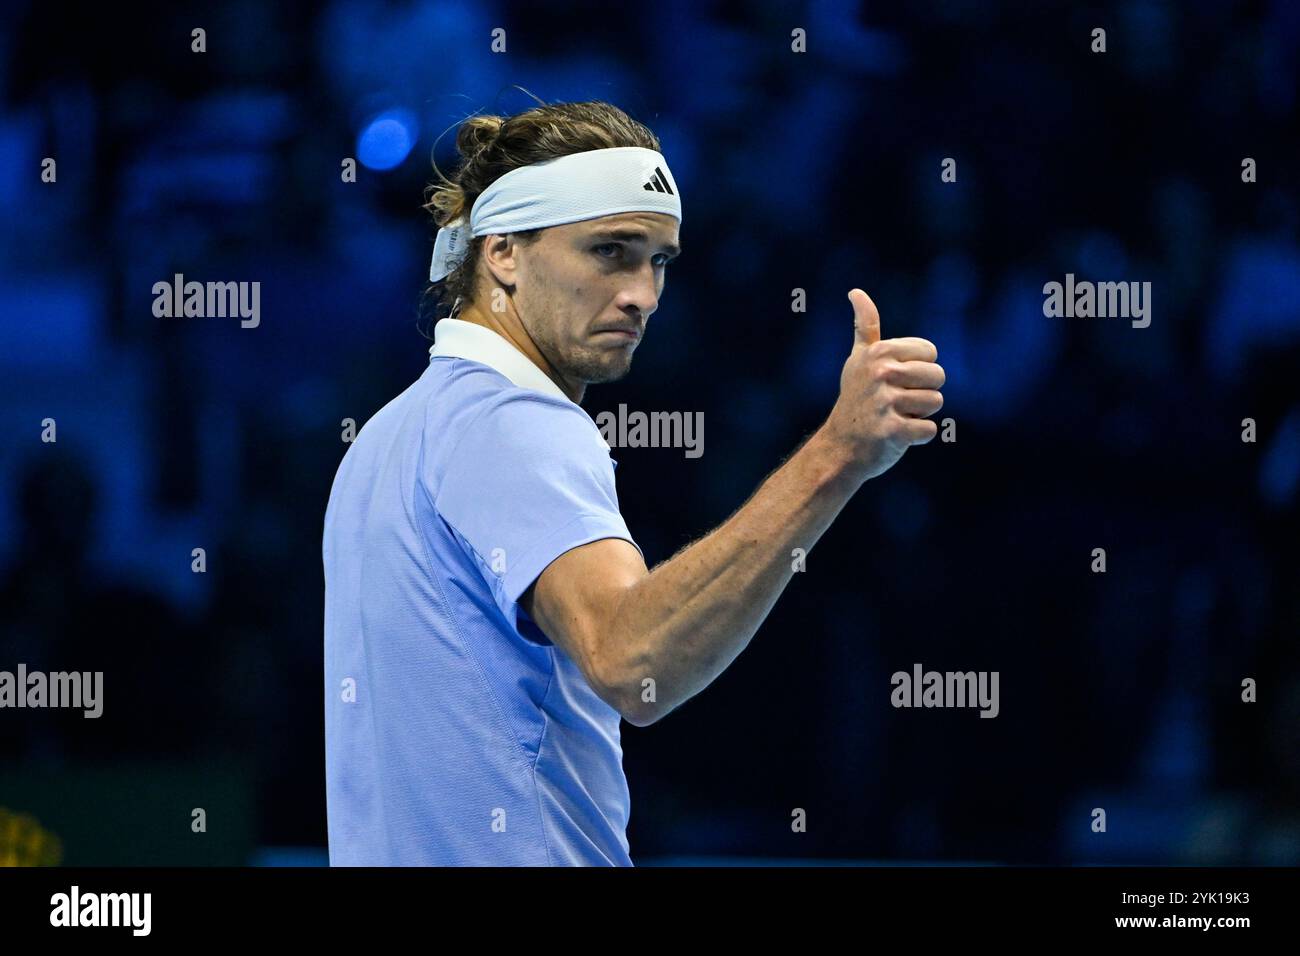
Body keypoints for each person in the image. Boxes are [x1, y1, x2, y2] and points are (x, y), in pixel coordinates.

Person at [323, 100, 945, 865]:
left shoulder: (385, 438)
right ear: (504, 253)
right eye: (610, 251)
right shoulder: (516, 421)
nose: (643, 294)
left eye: (658, 260)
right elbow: (633, 661)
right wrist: (839, 453)